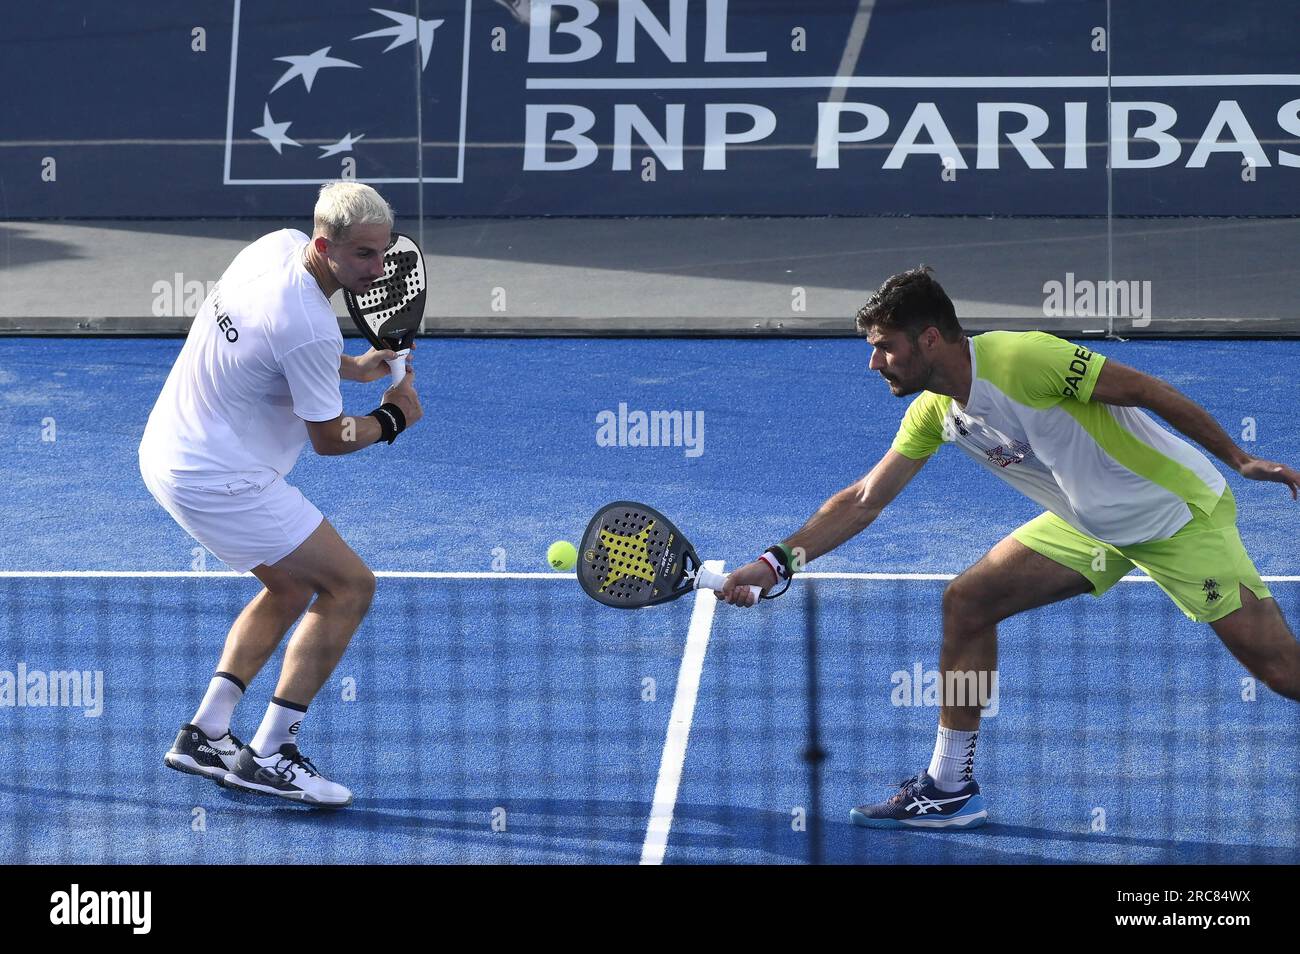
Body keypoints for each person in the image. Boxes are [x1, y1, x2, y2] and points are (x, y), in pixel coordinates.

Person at [719, 265, 1300, 829]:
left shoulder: (1024, 359)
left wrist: (1240, 458)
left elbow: (1145, 389)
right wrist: (777, 562)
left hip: (1174, 516)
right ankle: (949, 789)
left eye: (885, 346)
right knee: (968, 602)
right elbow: (866, 498)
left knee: (1279, 670)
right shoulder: (937, 412)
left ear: (929, 338)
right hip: (1088, 524)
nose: (874, 362)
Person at [139, 181, 423, 808]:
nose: (378, 271)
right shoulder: (311, 327)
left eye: (385, 252)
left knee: (290, 585)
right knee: (351, 585)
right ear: (324, 245)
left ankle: (205, 733)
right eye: (363, 256)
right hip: (221, 477)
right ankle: (269, 753)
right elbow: (328, 438)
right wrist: (395, 417)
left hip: (167, 451)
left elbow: (271, 342)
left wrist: (349, 366)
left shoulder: (274, 248)